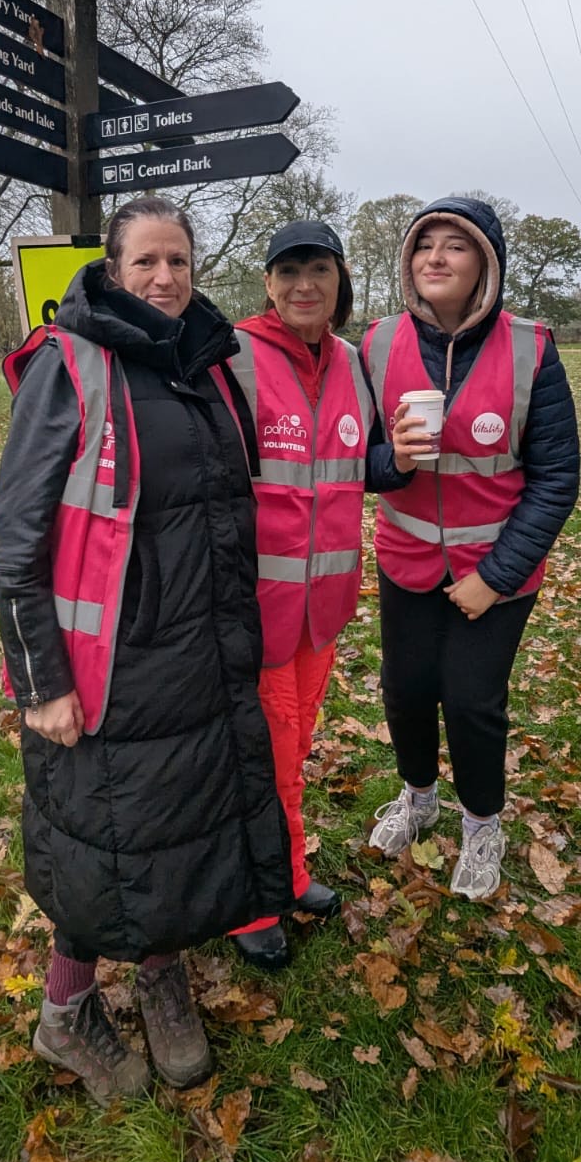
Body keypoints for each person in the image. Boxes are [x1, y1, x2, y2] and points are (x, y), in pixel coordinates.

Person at [0, 195, 291, 1102]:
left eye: (180, 262)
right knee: (103, 846)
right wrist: (41, 680)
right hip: (110, 664)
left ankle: (161, 979)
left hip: (198, 651)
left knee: (173, 838)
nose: (165, 278)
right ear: (113, 270)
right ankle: (66, 1014)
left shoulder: (206, 363)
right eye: (146, 263)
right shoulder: (71, 362)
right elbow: (18, 533)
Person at [362, 197, 579, 900]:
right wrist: (394, 460)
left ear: (485, 263)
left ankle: (482, 824)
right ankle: (419, 796)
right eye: (425, 243)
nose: (435, 256)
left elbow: (556, 479)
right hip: (407, 557)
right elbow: (356, 460)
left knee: (470, 698)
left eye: (455, 245)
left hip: (498, 569)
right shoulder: (375, 343)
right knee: (405, 689)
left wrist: (496, 575)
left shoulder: (532, 348)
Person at [221, 219, 397, 969]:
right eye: (288, 271)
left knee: (293, 753)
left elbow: (361, 464)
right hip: (251, 605)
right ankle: (248, 902)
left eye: (318, 270)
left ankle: (287, 875)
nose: (303, 285)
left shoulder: (358, 364)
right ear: (267, 283)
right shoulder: (232, 356)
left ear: (339, 279)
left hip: (322, 606)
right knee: (259, 755)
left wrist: (404, 458)